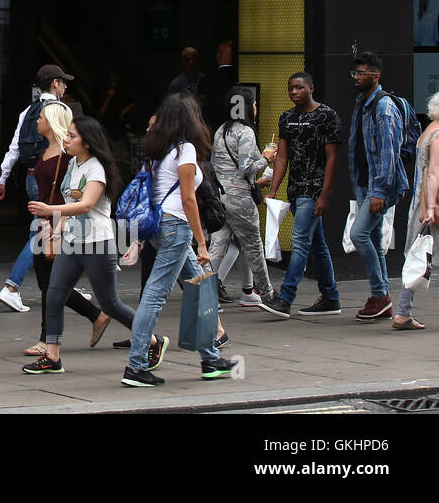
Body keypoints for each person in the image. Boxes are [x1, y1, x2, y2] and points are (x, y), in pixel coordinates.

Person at [22, 117, 153, 374]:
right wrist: (57, 230)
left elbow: (86, 205)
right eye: (67, 135)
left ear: (88, 143)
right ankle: (53, 356)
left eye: (72, 136)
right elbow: (72, 203)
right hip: (73, 242)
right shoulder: (73, 164)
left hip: (97, 242)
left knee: (111, 303)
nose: (66, 139)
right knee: (54, 294)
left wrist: (50, 209)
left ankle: (153, 339)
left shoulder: (97, 169)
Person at [122, 94, 237, 387]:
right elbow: (188, 199)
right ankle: (136, 366)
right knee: (154, 296)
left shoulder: (157, 149)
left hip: (162, 228)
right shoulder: (184, 149)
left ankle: (210, 359)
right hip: (177, 228)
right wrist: (201, 242)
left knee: (198, 288)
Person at [12, 100, 108, 356]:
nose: (37, 121)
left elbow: (75, 195)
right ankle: (96, 315)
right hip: (45, 221)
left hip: (58, 222)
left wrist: (59, 222)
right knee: (51, 282)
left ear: (52, 121)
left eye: (41, 117)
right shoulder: (45, 150)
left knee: (51, 283)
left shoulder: (68, 157)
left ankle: (48, 339)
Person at [0, 64, 71, 311]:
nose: (66, 86)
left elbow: (14, 148)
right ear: (55, 84)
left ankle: (65, 285)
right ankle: (12, 287)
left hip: (29, 177)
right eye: (63, 82)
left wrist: (2, 179)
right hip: (53, 179)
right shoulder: (60, 110)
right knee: (43, 233)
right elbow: (70, 145)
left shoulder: (27, 111)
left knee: (50, 230)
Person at [264, 72, 342, 317]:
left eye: (299, 88)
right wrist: (275, 188)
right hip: (295, 190)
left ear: (311, 88)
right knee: (317, 245)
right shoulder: (287, 118)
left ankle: (285, 297)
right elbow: (283, 156)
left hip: (314, 189)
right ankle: (330, 297)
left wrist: (325, 195)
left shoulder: (327, 116)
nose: (294, 92)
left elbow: (332, 158)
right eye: (291, 89)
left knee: (299, 243)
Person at [347, 51, 411, 323]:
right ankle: (381, 295)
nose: (356, 78)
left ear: (376, 76)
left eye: (361, 73)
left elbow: (389, 153)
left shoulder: (384, 107)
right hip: (364, 183)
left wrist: (379, 191)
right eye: (354, 73)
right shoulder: (363, 103)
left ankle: (381, 296)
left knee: (359, 234)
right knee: (372, 238)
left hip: (378, 187)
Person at [206, 86, 283, 313]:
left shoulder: (221, 130)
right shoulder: (246, 132)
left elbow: (214, 164)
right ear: (248, 107)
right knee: (254, 247)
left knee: (217, 246)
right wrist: (266, 159)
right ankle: (268, 294)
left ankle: (203, 293)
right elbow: (246, 167)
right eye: (255, 104)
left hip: (221, 197)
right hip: (240, 199)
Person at [396, 92, 439, 330]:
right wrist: (432, 207)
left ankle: (402, 312)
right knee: (420, 257)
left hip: (420, 204)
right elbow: (433, 173)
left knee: (417, 257)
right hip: (432, 205)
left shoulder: (428, 131)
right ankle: (402, 312)